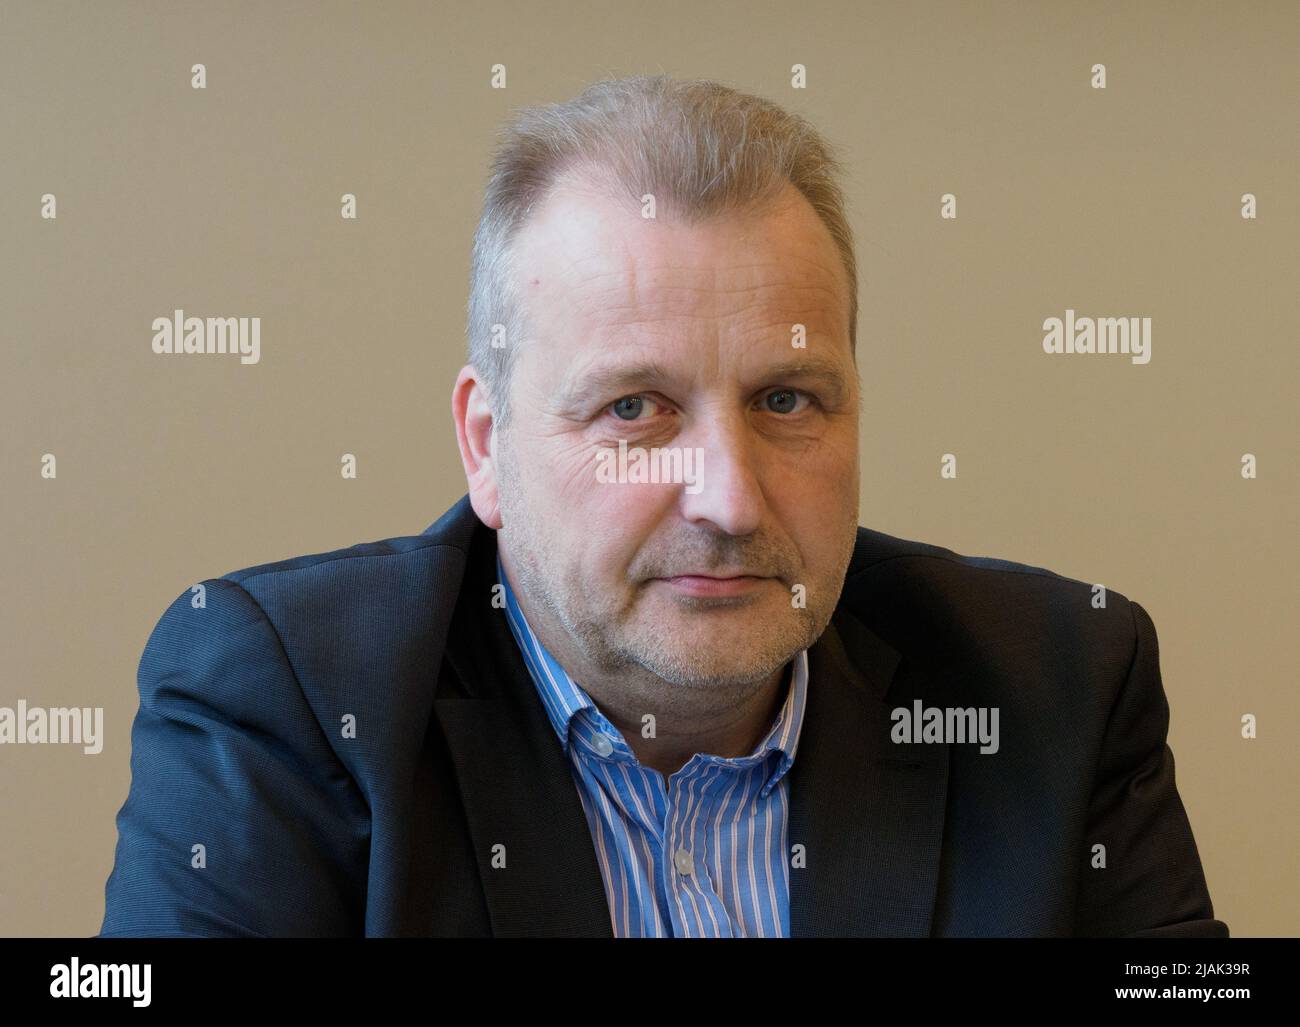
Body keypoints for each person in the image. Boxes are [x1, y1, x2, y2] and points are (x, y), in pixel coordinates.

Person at [99, 74, 1225, 937]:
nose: (730, 499)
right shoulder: (289, 699)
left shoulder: (1058, 684)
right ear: (487, 447)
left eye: (787, 399)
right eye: (635, 408)